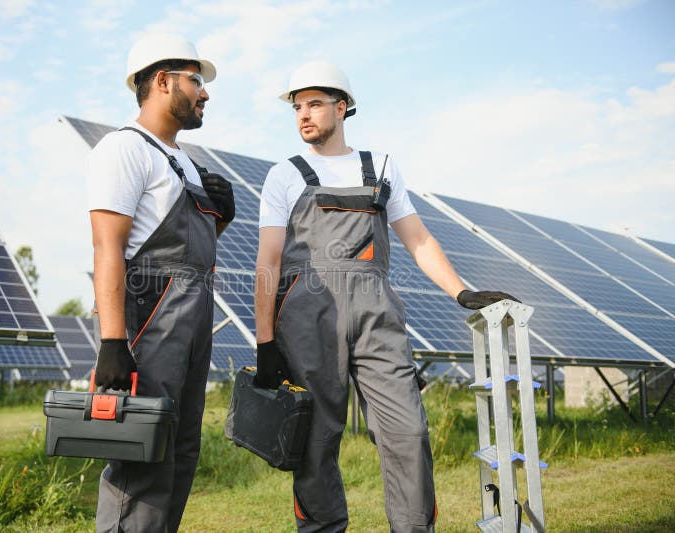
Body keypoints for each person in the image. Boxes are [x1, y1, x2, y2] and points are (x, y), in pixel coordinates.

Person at [254, 60, 518, 532]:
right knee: (315, 443)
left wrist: (461, 292)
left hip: (377, 316)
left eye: (314, 104)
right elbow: (268, 262)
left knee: (408, 432)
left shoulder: (381, 167)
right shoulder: (284, 175)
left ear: (343, 106)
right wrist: (265, 342)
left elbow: (418, 239)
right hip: (306, 317)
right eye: (297, 107)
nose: (303, 116)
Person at [87, 33, 235, 533]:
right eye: (197, 81)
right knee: (142, 454)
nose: (205, 93)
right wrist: (112, 341)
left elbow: (189, 247)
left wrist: (223, 218)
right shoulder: (124, 149)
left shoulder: (184, 162)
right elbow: (109, 247)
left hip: (193, 317)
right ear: (163, 81)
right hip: (149, 322)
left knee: (180, 451)